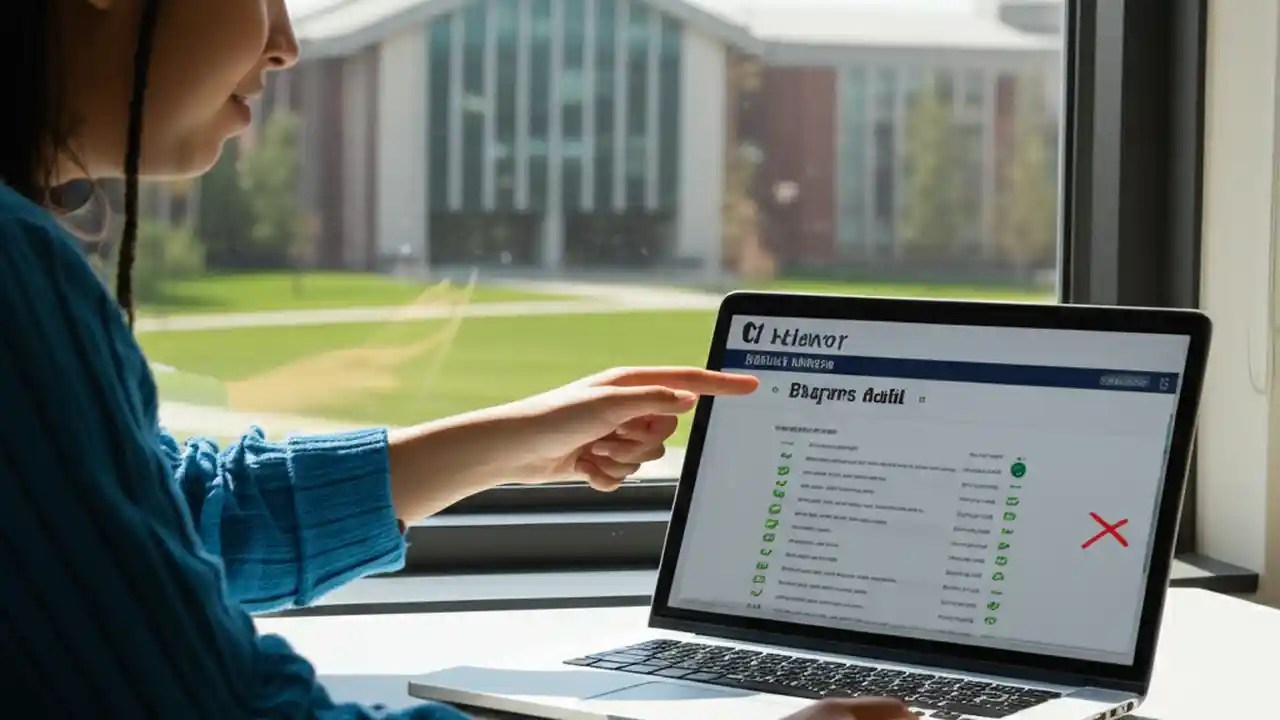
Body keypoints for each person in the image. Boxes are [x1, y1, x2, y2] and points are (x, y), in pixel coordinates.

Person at [0, 1, 915, 718]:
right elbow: (204, 705)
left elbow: (170, 522)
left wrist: (509, 445)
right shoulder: (13, 270)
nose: (284, 43)